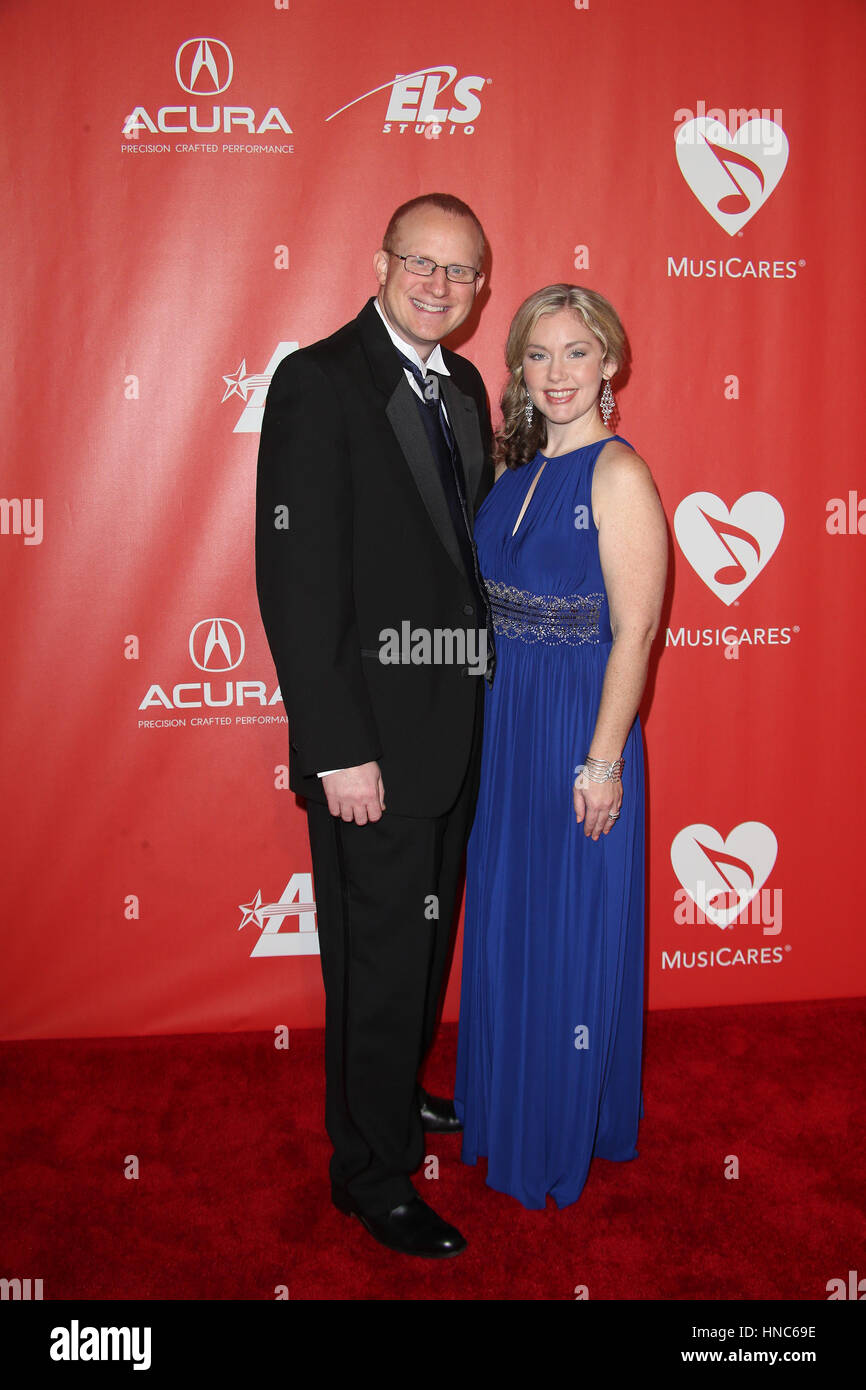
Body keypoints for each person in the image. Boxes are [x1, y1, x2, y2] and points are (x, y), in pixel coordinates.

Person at [255, 194, 494, 1257]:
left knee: (423, 939)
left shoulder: (467, 384)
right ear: (380, 261)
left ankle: (394, 1091)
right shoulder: (318, 379)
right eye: (420, 262)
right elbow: (296, 583)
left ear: (479, 288)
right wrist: (336, 745)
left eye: (460, 271)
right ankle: (369, 1168)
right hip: (369, 742)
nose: (438, 285)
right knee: (376, 955)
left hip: (452, 719)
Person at [454, 284, 667, 1209]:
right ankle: (508, 1107)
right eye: (538, 356)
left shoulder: (618, 474)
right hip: (506, 722)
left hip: (575, 724)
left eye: (577, 353)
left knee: (566, 927)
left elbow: (638, 629)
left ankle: (557, 1128)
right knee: (512, 921)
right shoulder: (516, 473)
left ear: (610, 363)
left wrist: (603, 760)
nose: (557, 374)